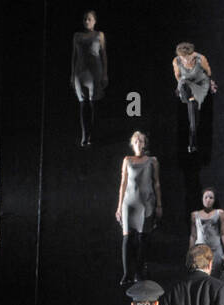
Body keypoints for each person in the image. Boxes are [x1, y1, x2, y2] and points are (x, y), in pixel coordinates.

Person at [115, 131, 161, 285]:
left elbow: (156, 183)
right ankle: (127, 273)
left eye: (141, 141)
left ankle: (138, 273)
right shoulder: (127, 160)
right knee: (127, 238)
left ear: (145, 143)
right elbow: (123, 184)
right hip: (130, 202)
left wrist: (159, 205)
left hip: (146, 202)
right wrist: (119, 207)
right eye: (136, 141)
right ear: (132, 144)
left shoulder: (152, 161)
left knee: (143, 239)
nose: (139, 144)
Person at [71, 10, 107, 146]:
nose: (87, 21)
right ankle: (84, 135)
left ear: (94, 21)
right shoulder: (77, 36)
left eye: (89, 19)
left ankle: (93, 134)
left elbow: (104, 55)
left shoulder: (99, 35)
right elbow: (73, 56)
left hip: (95, 71)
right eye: (85, 19)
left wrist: (105, 73)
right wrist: (72, 74)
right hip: (80, 72)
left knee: (93, 104)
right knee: (82, 104)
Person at [173, 42, 214, 154]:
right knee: (184, 84)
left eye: (188, 58)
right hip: (187, 90)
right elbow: (178, 77)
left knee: (194, 123)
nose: (186, 61)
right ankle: (192, 144)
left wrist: (209, 83)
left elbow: (208, 73)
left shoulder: (201, 59)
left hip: (200, 86)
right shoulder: (177, 61)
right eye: (183, 59)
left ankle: (193, 144)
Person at [189, 188, 224, 278]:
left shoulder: (220, 213)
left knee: (216, 276)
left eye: (211, 198)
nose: (208, 200)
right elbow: (193, 235)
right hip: (201, 250)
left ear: (214, 200)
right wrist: (190, 253)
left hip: (216, 250)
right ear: (202, 199)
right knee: (202, 276)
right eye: (206, 197)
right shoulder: (195, 215)